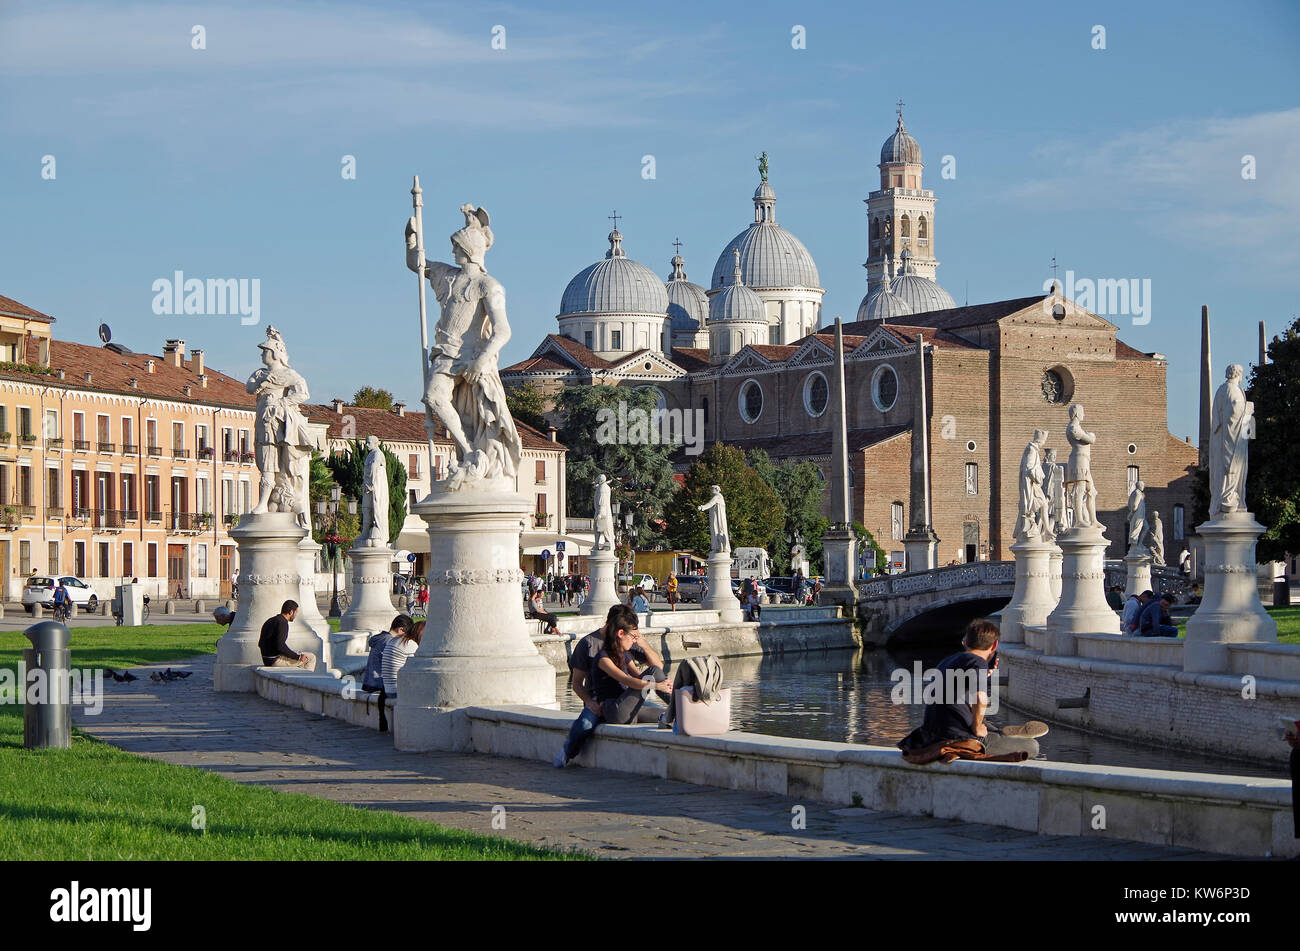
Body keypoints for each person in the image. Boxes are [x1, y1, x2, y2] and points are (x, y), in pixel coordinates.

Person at [897, 618, 1045, 760]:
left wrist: (983, 676)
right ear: (994, 645)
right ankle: (999, 736)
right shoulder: (978, 663)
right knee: (1032, 746)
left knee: (985, 724)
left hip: (930, 734)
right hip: (958, 737)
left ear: (966, 642)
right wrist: (977, 728)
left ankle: (998, 734)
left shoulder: (947, 661)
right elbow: (980, 698)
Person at [553, 605, 671, 768]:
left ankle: (682, 707)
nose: (634, 638)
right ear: (619, 630)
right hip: (602, 701)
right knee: (585, 724)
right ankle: (566, 752)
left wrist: (642, 643)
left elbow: (652, 670)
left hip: (625, 697)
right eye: (633, 635)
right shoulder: (589, 644)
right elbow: (577, 684)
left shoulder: (626, 646)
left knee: (665, 714)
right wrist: (589, 702)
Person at [258, 600, 316, 669]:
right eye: (296, 612)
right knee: (310, 658)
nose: (295, 615)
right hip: (275, 660)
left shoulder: (270, 620)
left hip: (267, 660)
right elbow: (280, 646)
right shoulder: (283, 623)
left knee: (301, 661)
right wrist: (297, 657)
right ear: (291, 612)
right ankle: (306, 676)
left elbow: (260, 644)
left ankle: (300, 674)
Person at [382, 618, 424, 697]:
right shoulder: (409, 644)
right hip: (397, 691)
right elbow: (419, 669)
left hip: (388, 690)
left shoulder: (394, 640)